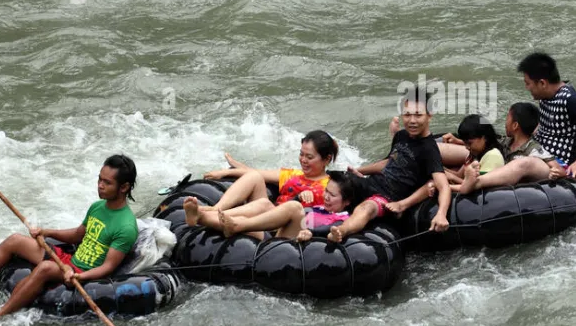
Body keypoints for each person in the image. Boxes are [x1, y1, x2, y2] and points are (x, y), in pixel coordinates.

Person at [0, 155, 139, 324]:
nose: (100, 186)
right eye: (99, 179)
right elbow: (77, 235)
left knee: (45, 268)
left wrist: (80, 277)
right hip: (70, 261)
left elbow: (108, 267)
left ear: (124, 187)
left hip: (83, 273)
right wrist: (47, 232)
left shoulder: (126, 226)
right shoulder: (97, 207)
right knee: (15, 240)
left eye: (107, 183)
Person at [457, 53, 576, 195]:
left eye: (528, 83)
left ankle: (476, 182)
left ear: (542, 83)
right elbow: (544, 128)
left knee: (524, 164)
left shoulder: (571, 99)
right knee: (477, 147)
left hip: (557, 164)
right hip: (538, 150)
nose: (527, 87)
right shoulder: (546, 97)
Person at [326, 89, 451, 241]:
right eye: (407, 114)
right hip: (372, 183)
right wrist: (358, 171)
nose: (412, 120)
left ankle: (340, 231)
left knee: (367, 208)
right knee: (334, 181)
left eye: (418, 115)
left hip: (389, 199)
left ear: (429, 115)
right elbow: (388, 163)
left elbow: (443, 185)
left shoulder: (429, 149)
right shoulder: (401, 136)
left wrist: (441, 214)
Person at [188, 130, 337, 232]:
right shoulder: (294, 175)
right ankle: (216, 209)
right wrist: (227, 171)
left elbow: (331, 216)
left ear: (326, 159)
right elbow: (256, 173)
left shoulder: (332, 186)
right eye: (301, 154)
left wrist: (310, 201)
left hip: (287, 229)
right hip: (266, 220)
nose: (303, 160)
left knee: (266, 204)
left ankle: (202, 216)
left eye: (309, 157)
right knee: (254, 177)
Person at [186, 170, 367, 241]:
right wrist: (297, 198)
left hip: (291, 245)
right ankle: (202, 215)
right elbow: (288, 215)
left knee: (295, 209)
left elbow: (333, 229)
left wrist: (312, 232)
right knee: (265, 202)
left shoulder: (343, 219)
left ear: (347, 202)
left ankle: (236, 224)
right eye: (326, 191)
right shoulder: (320, 207)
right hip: (278, 231)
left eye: (332, 195)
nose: (326, 197)